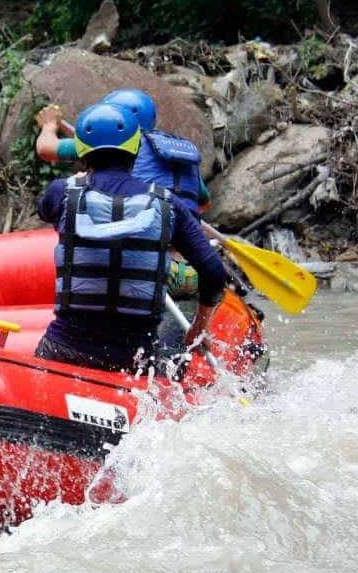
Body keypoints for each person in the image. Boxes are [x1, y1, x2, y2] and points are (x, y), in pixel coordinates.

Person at [35, 103, 228, 373]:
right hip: (135, 360)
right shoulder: (168, 205)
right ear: (135, 150)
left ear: (81, 153)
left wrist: (80, 180)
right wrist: (199, 326)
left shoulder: (62, 193)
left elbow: (45, 208)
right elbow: (214, 272)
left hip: (65, 351)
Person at [35, 88, 211, 215]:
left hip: (140, 239)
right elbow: (204, 205)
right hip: (185, 244)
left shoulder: (115, 144)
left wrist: (49, 126)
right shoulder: (178, 149)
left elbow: (45, 149)